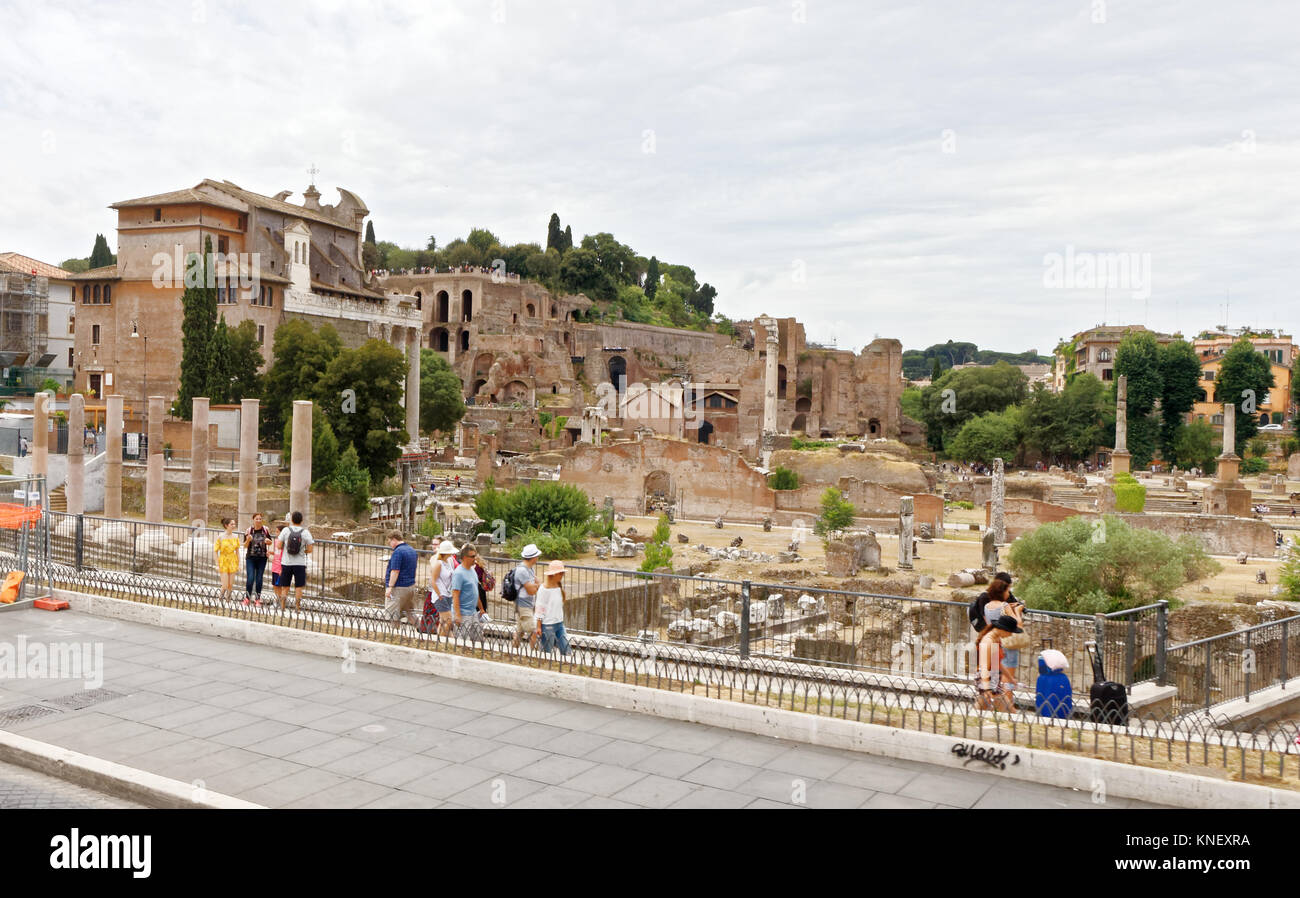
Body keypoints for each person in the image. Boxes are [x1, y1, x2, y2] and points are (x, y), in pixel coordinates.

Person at [275, 511, 314, 611]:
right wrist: (302, 551)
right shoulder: (305, 532)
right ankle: (297, 608)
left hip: (286, 562)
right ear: (302, 521)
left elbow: (279, 546)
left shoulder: (286, 530)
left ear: (291, 520)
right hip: (300, 563)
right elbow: (310, 550)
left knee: (285, 586)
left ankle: (282, 606)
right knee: (299, 586)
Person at [384, 530, 421, 629]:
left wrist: (390, 587)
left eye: (389, 541)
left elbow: (395, 571)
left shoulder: (398, 552)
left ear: (394, 540)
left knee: (393, 614)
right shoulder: (412, 550)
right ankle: (423, 630)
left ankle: (394, 634)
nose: (389, 544)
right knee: (410, 612)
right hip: (410, 586)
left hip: (399, 588)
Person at [534, 560, 571, 656]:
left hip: (559, 623)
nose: (562, 575)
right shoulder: (543, 589)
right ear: (554, 574)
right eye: (561, 573)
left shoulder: (558, 587)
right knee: (546, 653)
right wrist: (538, 626)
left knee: (567, 651)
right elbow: (540, 608)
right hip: (547, 625)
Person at [449, 543, 483, 640]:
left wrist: (481, 609)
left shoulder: (473, 571)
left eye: (475, 555)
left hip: (473, 613)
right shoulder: (459, 573)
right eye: (472, 556)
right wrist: (457, 615)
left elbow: (475, 591)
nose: (475, 558)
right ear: (464, 557)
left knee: (478, 641)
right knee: (462, 643)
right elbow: (455, 595)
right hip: (463, 614)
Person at [511, 544, 542, 648]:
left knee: (520, 631)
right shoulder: (522, 571)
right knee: (533, 630)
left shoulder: (529, 569)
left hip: (525, 605)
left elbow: (535, 585)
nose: (538, 558)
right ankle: (535, 654)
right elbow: (532, 591)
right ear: (533, 557)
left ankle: (513, 651)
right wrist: (536, 586)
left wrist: (535, 586)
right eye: (537, 556)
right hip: (523, 606)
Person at [243, 512, 272, 606]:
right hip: (250, 557)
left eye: (260, 519)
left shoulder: (265, 529)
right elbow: (244, 546)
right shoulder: (248, 530)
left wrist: (268, 542)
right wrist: (248, 540)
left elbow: (270, 542)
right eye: (257, 519)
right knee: (250, 578)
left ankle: (257, 599)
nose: (259, 520)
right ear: (253, 520)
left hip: (262, 558)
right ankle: (247, 598)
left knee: (259, 578)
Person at [214, 517, 241, 604]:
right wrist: (217, 564)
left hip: (232, 560)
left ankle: (228, 600)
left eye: (234, 524)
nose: (234, 526)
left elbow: (237, 552)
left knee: (230, 584)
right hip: (223, 560)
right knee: (225, 584)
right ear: (226, 525)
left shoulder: (235, 537)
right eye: (231, 524)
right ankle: (220, 598)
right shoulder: (220, 537)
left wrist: (239, 564)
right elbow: (215, 551)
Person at [269, 521, 287, 607]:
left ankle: (279, 601)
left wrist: (282, 568)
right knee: (274, 584)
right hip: (274, 565)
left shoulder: (284, 543)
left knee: (279, 585)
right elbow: (277, 552)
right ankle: (277, 599)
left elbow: (284, 555)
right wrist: (270, 553)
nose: (275, 533)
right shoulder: (276, 541)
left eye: (277, 531)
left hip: (280, 566)